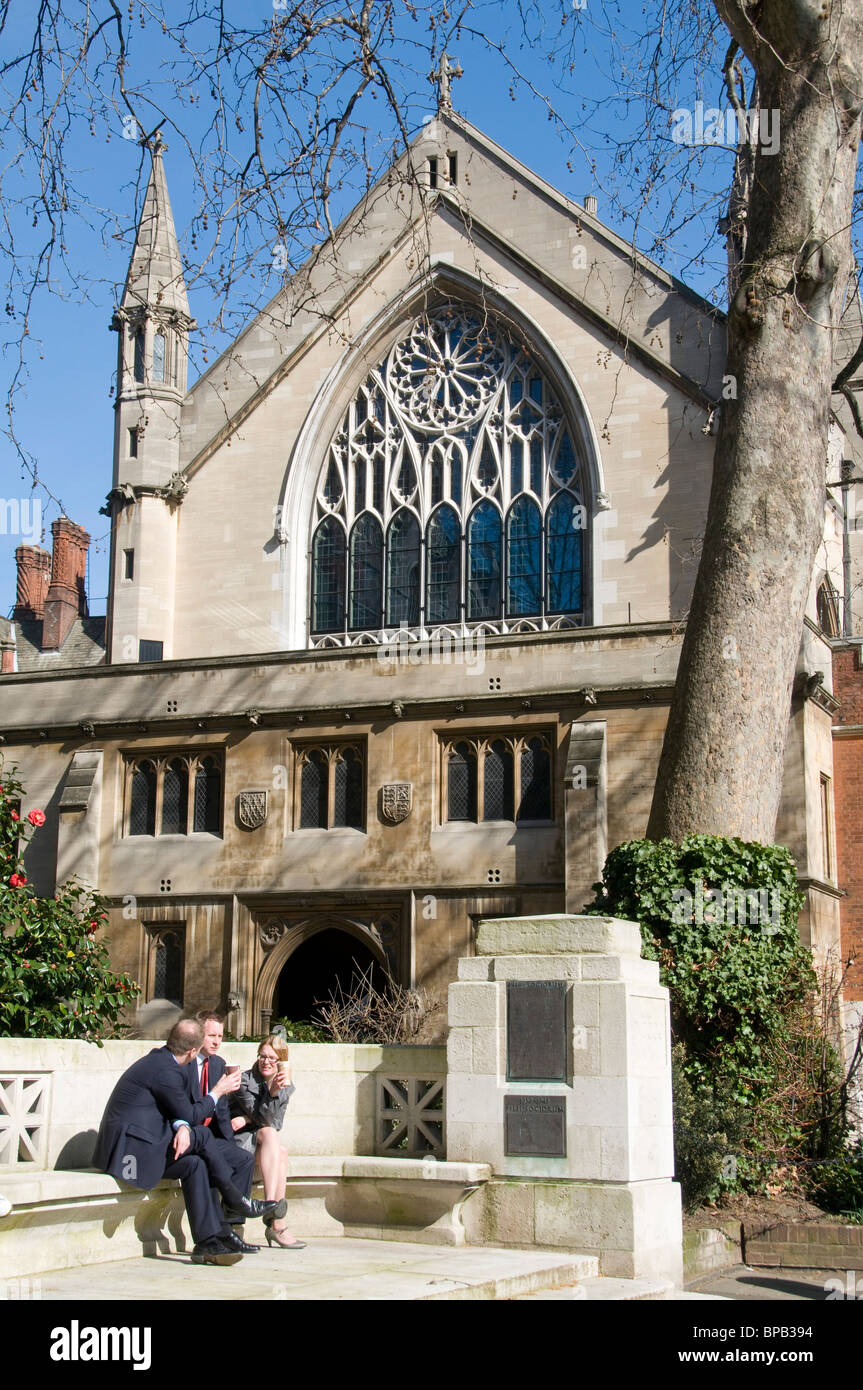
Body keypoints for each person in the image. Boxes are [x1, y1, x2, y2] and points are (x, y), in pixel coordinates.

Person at [93, 1017, 277, 1265]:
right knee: (200, 1135)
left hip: (146, 1144)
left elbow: (175, 1110)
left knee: (196, 1165)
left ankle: (207, 1242)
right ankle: (235, 1199)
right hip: (131, 1155)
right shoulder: (166, 1071)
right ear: (193, 1051)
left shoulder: (162, 1061)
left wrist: (181, 1126)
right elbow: (189, 1113)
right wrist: (217, 1092)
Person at [184, 1009, 261, 1254]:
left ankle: (231, 1230)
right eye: (211, 1036)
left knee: (244, 1160)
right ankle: (219, 1234)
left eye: (220, 1035)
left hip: (211, 1137)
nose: (217, 1041)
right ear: (198, 1036)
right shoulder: (185, 1064)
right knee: (208, 1166)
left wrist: (229, 1145)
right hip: (190, 1137)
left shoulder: (217, 1064)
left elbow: (223, 1112)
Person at [229, 1036, 306, 1250]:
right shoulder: (244, 1080)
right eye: (262, 1056)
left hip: (262, 1143)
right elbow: (265, 1120)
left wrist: (246, 1118)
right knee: (272, 1138)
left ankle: (273, 1214)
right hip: (240, 1143)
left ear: (282, 1061)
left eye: (272, 1058)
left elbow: (276, 1123)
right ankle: (275, 1217)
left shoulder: (285, 1085)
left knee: (281, 1151)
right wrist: (271, 1096)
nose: (266, 1061)